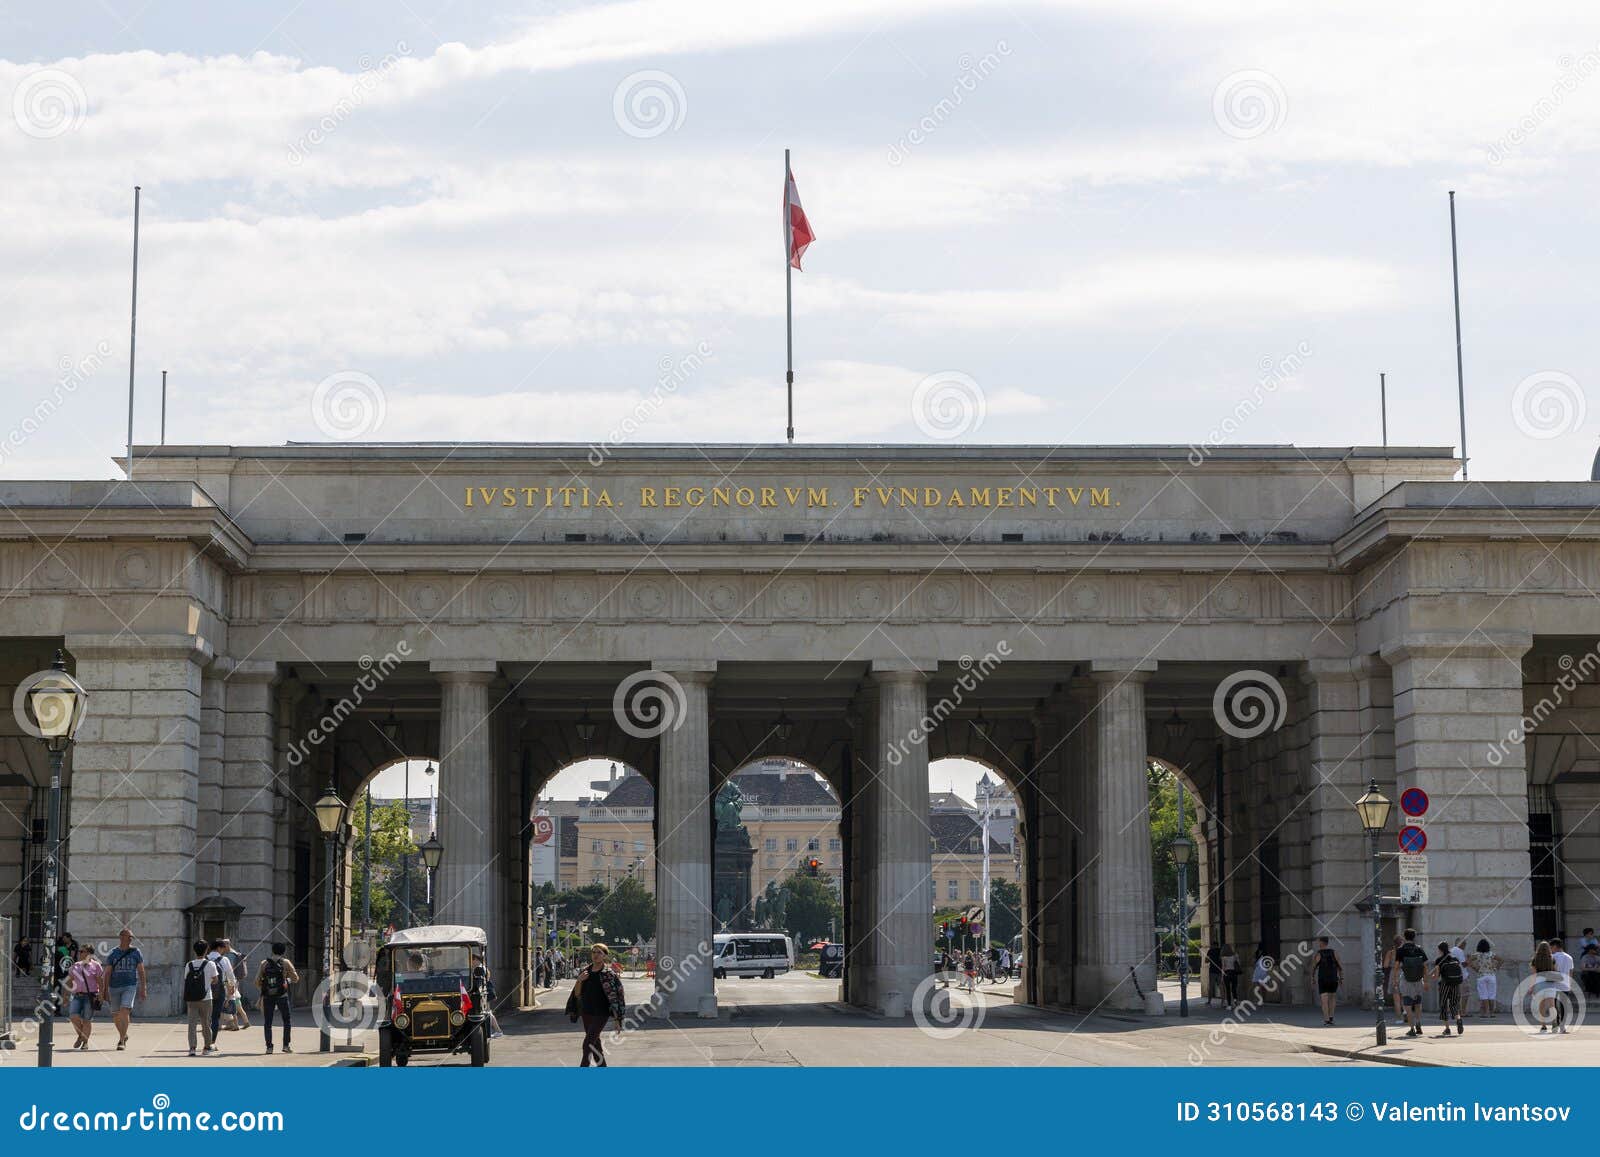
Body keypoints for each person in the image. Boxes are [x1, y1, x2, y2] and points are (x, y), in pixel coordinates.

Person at [570, 943, 625, 1067]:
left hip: (601, 1013)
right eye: (593, 952)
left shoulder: (609, 974)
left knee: (587, 1043)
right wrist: (579, 980)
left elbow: (617, 997)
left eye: (599, 952)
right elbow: (577, 994)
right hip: (587, 1012)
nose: (595, 955)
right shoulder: (585, 972)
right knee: (595, 1045)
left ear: (605, 955)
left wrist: (617, 1019)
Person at [101, 928, 147, 1051]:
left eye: (132, 936)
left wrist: (143, 988)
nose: (131, 938)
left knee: (124, 1010)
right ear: (121, 937)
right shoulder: (113, 953)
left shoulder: (136, 952)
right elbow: (107, 973)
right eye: (129, 936)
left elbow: (141, 971)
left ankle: (121, 1040)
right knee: (116, 1015)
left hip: (130, 985)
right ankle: (124, 1034)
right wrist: (105, 990)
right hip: (114, 986)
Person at [256, 941, 300, 1055]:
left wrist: (265, 989)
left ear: (272, 950)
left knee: (268, 1022)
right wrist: (286, 981)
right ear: (283, 951)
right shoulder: (286, 962)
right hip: (282, 996)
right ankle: (286, 1046)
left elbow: (256, 981)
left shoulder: (264, 963)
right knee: (287, 1021)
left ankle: (269, 1047)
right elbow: (296, 978)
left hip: (268, 996)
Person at [182, 940, 219, 1056]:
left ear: (194, 950)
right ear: (206, 950)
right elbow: (216, 980)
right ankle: (207, 1047)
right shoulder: (210, 964)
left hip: (191, 998)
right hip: (206, 998)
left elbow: (186, 980)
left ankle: (192, 1048)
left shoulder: (189, 964)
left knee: (192, 1024)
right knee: (206, 1023)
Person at [65, 942, 104, 1050]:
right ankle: (81, 1036)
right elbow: (69, 981)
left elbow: (100, 982)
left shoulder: (96, 966)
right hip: (77, 995)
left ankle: (85, 1042)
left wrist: (101, 995)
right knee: (73, 1016)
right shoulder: (76, 965)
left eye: (82, 951)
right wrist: (65, 995)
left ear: (89, 954)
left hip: (90, 996)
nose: (79, 953)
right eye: (79, 951)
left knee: (87, 1020)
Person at [1394, 928, 1429, 1038]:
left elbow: (1396, 967)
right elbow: (1425, 966)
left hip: (1406, 980)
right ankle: (1418, 1022)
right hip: (1418, 979)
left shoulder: (1400, 950)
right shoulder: (1419, 949)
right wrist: (1426, 981)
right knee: (1418, 1002)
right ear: (1414, 937)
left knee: (1407, 1005)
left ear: (1404, 937)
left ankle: (1412, 1028)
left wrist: (1395, 980)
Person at [206, 939, 237, 1045]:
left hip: (205, 992)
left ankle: (206, 1041)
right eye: (223, 948)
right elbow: (231, 976)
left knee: (206, 1018)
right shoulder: (224, 960)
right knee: (215, 1017)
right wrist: (232, 987)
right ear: (219, 948)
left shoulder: (205, 958)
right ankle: (212, 1042)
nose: (224, 950)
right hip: (219, 991)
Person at [1431, 940, 1465, 1037]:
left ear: (1440, 950)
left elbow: (1437, 976)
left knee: (1443, 1005)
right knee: (1454, 1004)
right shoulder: (1455, 959)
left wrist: (1432, 976)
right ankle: (1458, 1019)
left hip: (1445, 985)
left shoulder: (1439, 960)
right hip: (1455, 984)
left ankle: (1447, 1028)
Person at [1313, 937, 1343, 1025]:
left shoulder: (1318, 954)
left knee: (1324, 1000)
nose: (1318, 943)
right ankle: (1331, 1017)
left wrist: (1312, 978)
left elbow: (1314, 967)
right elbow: (1340, 967)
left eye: (1319, 942)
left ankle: (1326, 1019)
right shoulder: (1334, 952)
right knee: (1332, 998)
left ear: (1321, 943)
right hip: (1333, 978)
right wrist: (1341, 978)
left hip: (1323, 979)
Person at [1468, 938, 1501, 1018]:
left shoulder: (1477, 954)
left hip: (1481, 976)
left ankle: (1485, 1013)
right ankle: (1492, 1013)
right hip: (1491, 975)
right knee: (1492, 995)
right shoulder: (1491, 954)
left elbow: (1468, 961)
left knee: (1483, 995)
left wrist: (1475, 968)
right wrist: (1496, 968)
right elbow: (1501, 960)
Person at [1549, 937, 1575, 1034]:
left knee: (1553, 1005)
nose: (1550, 949)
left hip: (1554, 984)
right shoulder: (1569, 957)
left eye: (1551, 947)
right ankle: (1563, 1027)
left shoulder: (1552, 957)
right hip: (1565, 984)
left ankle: (1555, 1025)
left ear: (1555, 946)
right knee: (1564, 1006)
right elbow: (1571, 972)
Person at [1220, 944, 1241, 1009]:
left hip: (1227, 973)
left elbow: (1223, 967)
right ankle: (1235, 1000)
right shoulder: (1235, 956)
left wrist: (1222, 976)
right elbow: (1239, 964)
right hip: (1234, 973)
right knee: (1234, 988)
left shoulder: (1223, 957)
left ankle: (1229, 1005)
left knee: (1228, 990)